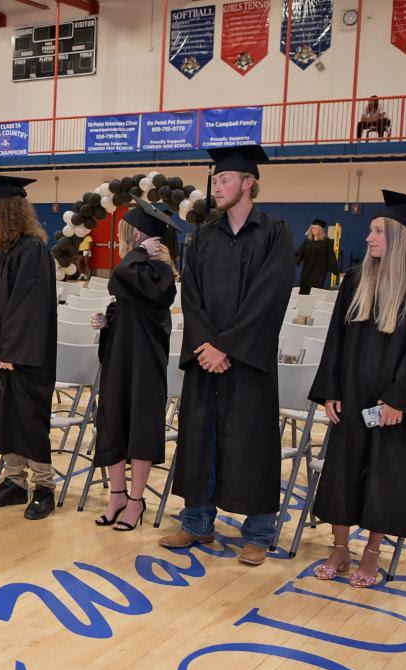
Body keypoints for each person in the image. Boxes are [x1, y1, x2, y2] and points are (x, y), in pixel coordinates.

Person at [309, 191, 406, 588]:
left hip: (395, 405)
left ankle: (372, 552)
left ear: (404, 235)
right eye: (370, 230)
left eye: (377, 230)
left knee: (384, 476)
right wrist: (331, 390)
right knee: (343, 471)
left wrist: (398, 399)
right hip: (353, 394)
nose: (368, 237)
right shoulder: (357, 278)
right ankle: (338, 548)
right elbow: (336, 339)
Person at [161, 145, 295, 565]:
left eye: (224, 180)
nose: (216, 187)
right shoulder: (203, 235)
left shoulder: (274, 233)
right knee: (199, 437)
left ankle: (258, 530)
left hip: (248, 361)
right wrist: (207, 346)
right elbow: (192, 294)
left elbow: (269, 298)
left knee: (252, 442)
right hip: (206, 358)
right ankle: (197, 522)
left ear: (248, 183)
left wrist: (227, 346)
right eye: (215, 180)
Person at [0, 176, 58, 520]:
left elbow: (30, 308)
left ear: (4, 212)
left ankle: (43, 487)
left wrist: (11, 352)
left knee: (29, 421)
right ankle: (14, 482)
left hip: (25, 357)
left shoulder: (32, 251)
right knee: (5, 419)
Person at [89, 199, 179, 531]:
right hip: (120, 354)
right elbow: (123, 299)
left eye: (125, 234)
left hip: (145, 360)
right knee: (113, 420)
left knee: (140, 426)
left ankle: (137, 501)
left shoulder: (158, 270)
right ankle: (117, 495)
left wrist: (140, 252)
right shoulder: (136, 264)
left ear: (137, 234)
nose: (119, 240)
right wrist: (107, 320)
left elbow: (126, 279)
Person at [295, 218, 338, 295]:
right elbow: (298, 255)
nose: (313, 229)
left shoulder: (326, 242)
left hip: (318, 274)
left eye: (315, 228)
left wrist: (336, 270)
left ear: (320, 229)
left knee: (314, 294)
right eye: (312, 228)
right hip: (306, 274)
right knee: (303, 294)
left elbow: (330, 257)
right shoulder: (307, 242)